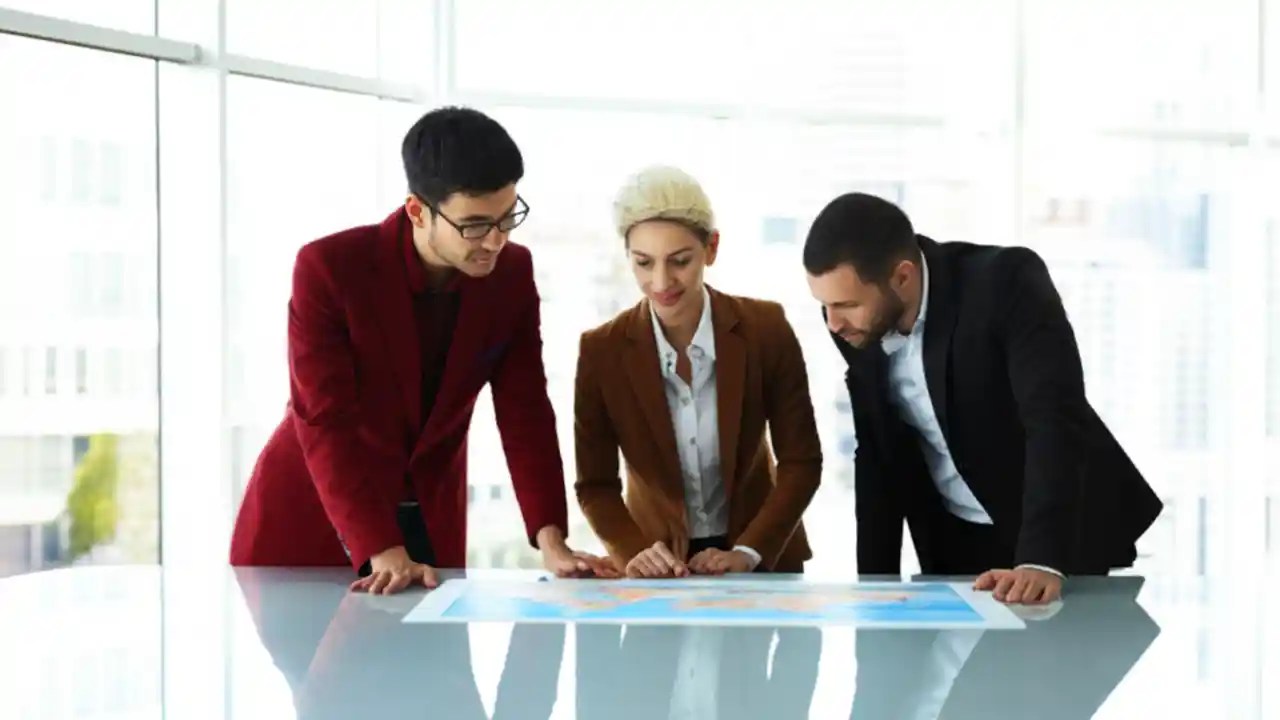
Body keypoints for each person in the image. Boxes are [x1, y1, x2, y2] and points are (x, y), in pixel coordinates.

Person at [230, 106, 608, 594]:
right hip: (316, 524)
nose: (495, 240)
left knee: (435, 671)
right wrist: (378, 546)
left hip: (431, 522)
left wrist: (551, 538)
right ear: (417, 211)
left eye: (507, 217)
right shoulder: (329, 269)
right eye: (474, 224)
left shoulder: (512, 275)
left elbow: (525, 409)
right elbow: (326, 423)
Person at [803, 192, 1162, 604]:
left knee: (1060, 663)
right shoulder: (853, 321)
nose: (833, 323)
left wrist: (1041, 560)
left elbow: (1054, 419)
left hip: (1058, 535)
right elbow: (878, 451)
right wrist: (872, 588)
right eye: (824, 305)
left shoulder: (1004, 282)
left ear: (902, 277)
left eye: (846, 304)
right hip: (954, 542)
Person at [575, 166, 823, 578]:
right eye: (643, 262)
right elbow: (596, 486)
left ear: (711, 248)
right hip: (660, 568)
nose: (660, 281)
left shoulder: (766, 328)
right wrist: (636, 551)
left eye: (680, 261)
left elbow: (801, 461)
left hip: (764, 560)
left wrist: (749, 550)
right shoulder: (602, 351)